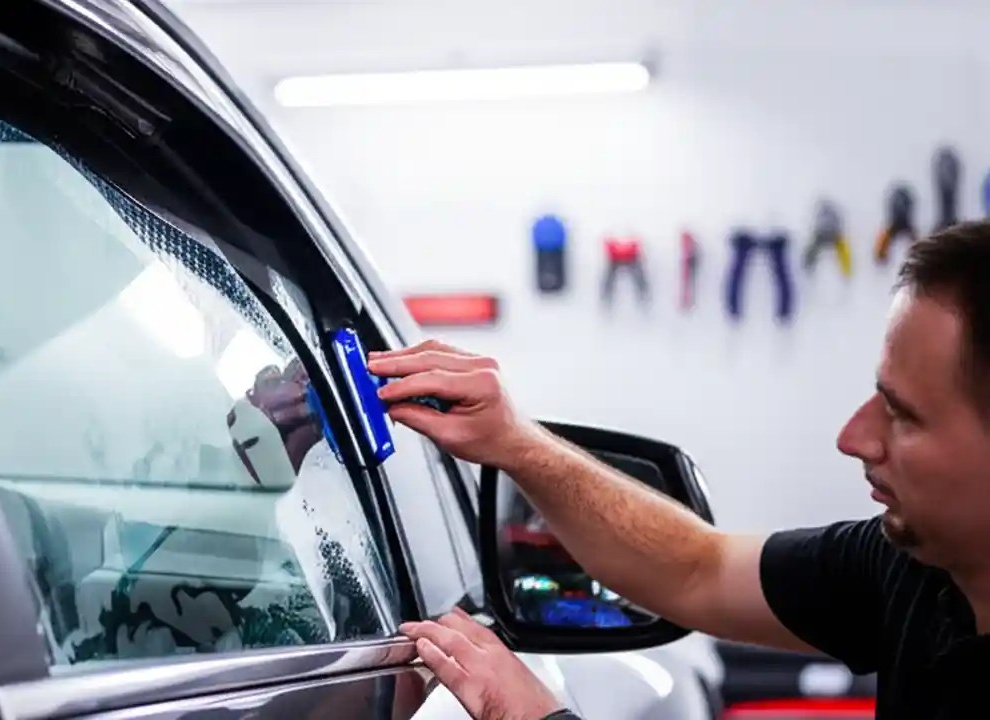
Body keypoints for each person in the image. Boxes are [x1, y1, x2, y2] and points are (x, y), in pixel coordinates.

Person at [369, 221, 990, 720]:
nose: (853, 437)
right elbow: (697, 568)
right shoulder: (916, 574)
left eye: (903, 416)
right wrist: (517, 442)